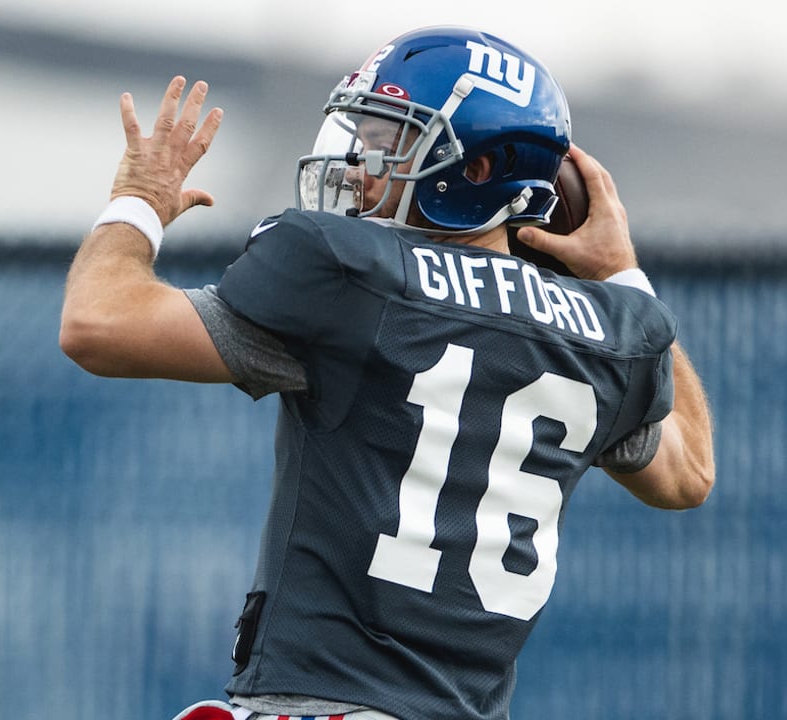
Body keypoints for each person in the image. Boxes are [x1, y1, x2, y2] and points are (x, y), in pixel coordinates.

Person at [60, 26, 714, 720]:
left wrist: (139, 198)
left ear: (478, 168)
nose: (362, 163)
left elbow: (98, 325)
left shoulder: (352, 278)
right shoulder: (607, 330)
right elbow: (689, 474)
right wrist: (623, 273)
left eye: (389, 142)